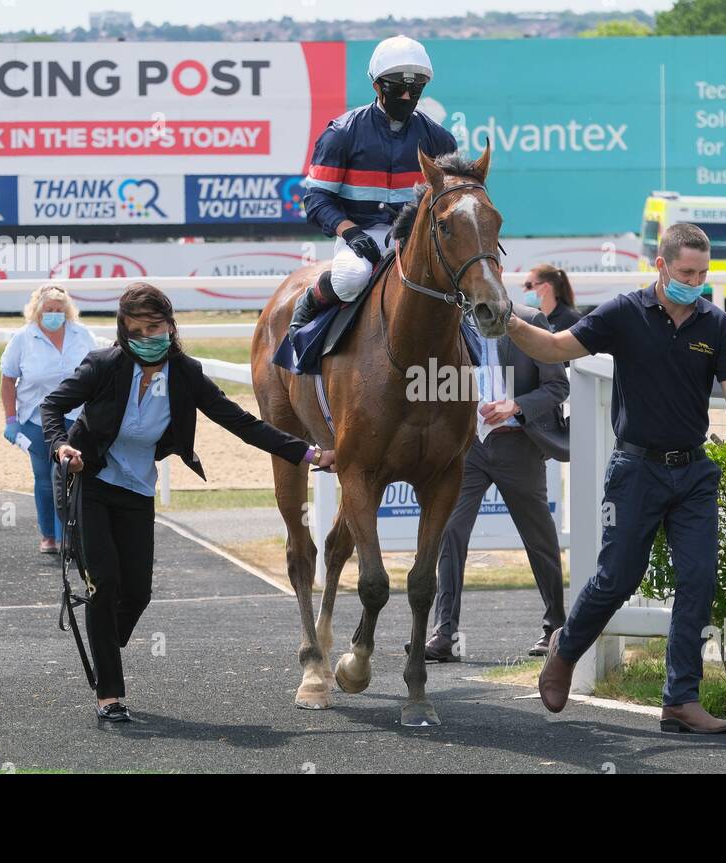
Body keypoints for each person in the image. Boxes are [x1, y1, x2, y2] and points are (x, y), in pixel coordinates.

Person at [504, 223, 726, 735]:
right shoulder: (622, 313)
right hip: (636, 471)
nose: (694, 282)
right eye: (685, 273)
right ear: (660, 265)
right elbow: (555, 347)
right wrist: (507, 322)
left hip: (694, 472)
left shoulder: (715, 325)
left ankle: (680, 700)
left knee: (698, 579)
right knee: (617, 578)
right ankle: (565, 649)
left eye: (702, 273)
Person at [42, 283, 336, 723]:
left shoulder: (185, 374)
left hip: (137, 489)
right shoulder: (102, 366)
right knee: (104, 583)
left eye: (155, 327)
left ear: (171, 326)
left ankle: (103, 640)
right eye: (136, 329)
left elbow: (242, 423)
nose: (147, 336)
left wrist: (310, 453)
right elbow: (52, 406)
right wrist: (62, 446)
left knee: (136, 592)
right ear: (123, 331)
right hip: (92, 481)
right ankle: (110, 693)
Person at [418, 302, 571, 661]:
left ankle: (556, 627)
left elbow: (557, 386)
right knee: (450, 532)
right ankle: (445, 634)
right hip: (468, 447)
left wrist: (514, 405)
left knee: (539, 537)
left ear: (497, 273)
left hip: (518, 445)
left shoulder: (531, 321)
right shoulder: (450, 322)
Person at [289, 35, 458, 336]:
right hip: (360, 234)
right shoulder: (341, 134)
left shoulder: (439, 139)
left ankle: (483, 356)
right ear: (377, 86)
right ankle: (310, 302)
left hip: (415, 238)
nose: (407, 97)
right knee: (351, 278)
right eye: (398, 88)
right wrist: (350, 232)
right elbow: (316, 199)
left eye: (415, 88)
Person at [0, 283, 95, 554]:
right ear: (38, 311)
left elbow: (96, 370)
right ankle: (49, 535)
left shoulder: (82, 335)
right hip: (36, 419)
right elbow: (8, 379)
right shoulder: (23, 338)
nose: (54, 314)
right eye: (49, 310)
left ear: (67, 311)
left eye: (59, 310)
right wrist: (10, 419)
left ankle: (68, 533)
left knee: (63, 475)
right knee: (43, 477)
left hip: (75, 417)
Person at [523, 264, 582, 335]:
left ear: (545, 287)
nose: (524, 290)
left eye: (528, 285)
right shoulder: (531, 317)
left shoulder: (572, 319)